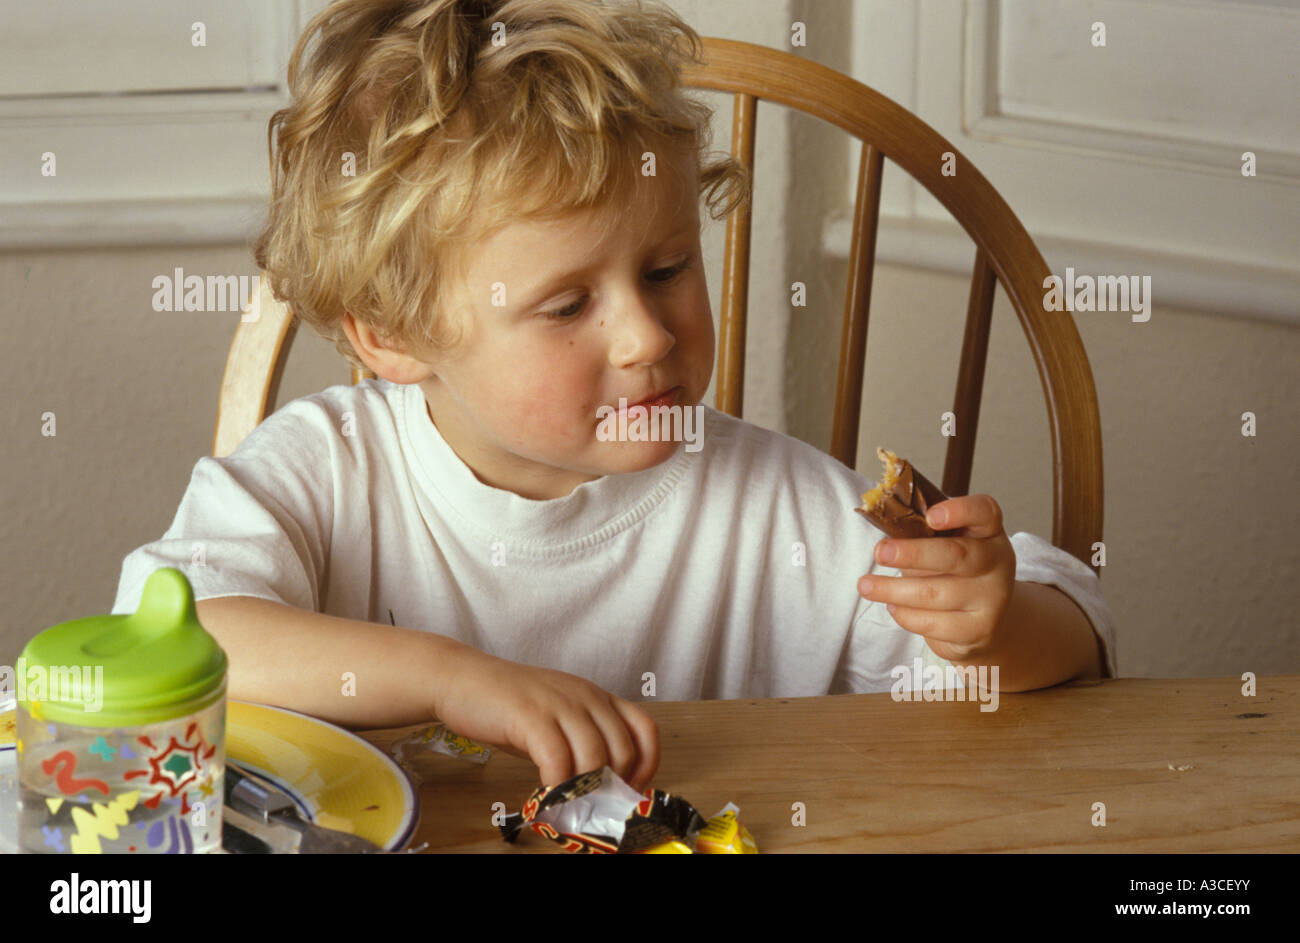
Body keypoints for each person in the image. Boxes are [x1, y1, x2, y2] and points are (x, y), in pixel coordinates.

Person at [113, 0, 1116, 791]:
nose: (645, 335)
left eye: (670, 265)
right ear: (392, 336)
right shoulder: (325, 472)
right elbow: (175, 640)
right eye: (563, 305)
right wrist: (458, 679)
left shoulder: (767, 507)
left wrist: (986, 621)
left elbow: (1072, 631)